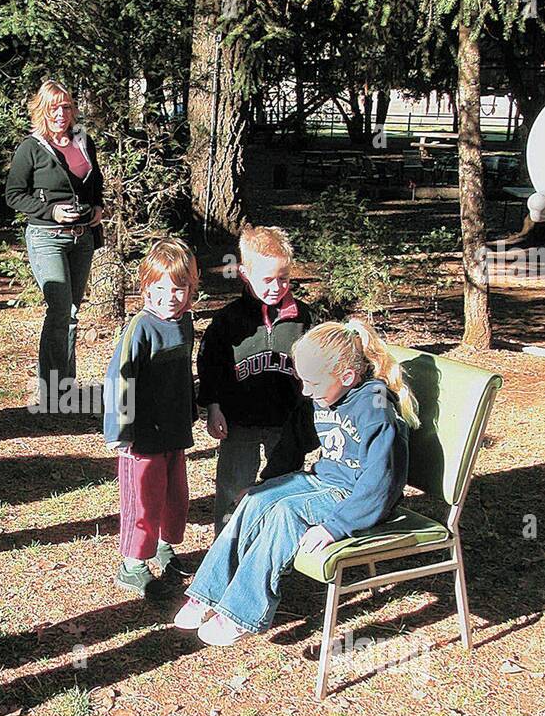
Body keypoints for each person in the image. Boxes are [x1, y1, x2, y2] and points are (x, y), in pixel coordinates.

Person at [174, 319, 419, 645]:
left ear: (346, 377)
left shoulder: (375, 408)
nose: (305, 391)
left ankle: (241, 613)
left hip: (354, 496)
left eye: (312, 384)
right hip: (323, 481)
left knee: (284, 514)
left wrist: (337, 526)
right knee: (256, 500)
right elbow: (292, 441)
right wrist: (269, 482)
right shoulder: (323, 394)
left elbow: (382, 482)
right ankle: (207, 593)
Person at [197, 224, 312, 535]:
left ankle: (280, 545)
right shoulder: (228, 321)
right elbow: (210, 366)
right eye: (268, 279)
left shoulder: (304, 318)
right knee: (234, 487)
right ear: (245, 273)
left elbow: (317, 366)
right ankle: (227, 547)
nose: (277, 287)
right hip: (239, 421)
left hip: (286, 421)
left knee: (285, 486)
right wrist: (213, 406)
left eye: (284, 279)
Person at [103, 237, 199, 595]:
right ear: (145, 287)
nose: (169, 296)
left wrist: (190, 411)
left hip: (174, 432)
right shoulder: (140, 328)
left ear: (191, 289)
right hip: (141, 437)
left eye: (179, 288)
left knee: (174, 496)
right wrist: (119, 430)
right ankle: (132, 563)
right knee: (142, 498)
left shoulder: (185, 323)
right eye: (159, 288)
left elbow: (183, 375)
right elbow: (120, 378)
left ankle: (163, 546)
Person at [4, 80, 105, 412]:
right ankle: (50, 390)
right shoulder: (30, 147)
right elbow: (14, 194)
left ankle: (67, 386)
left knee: (73, 313)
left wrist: (97, 208)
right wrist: (51, 211)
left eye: (66, 107)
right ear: (42, 110)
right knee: (60, 309)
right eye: (54, 108)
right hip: (47, 236)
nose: (61, 113)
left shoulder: (82, 140)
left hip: (82, 237)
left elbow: (95, 182)